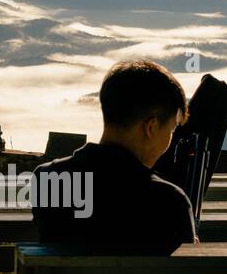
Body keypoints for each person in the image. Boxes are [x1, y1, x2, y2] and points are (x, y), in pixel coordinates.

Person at [31, 59, 197, 255]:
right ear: (150, 127)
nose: (170, 141)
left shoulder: (49, 180)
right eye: (171, 130)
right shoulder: (170, 201)